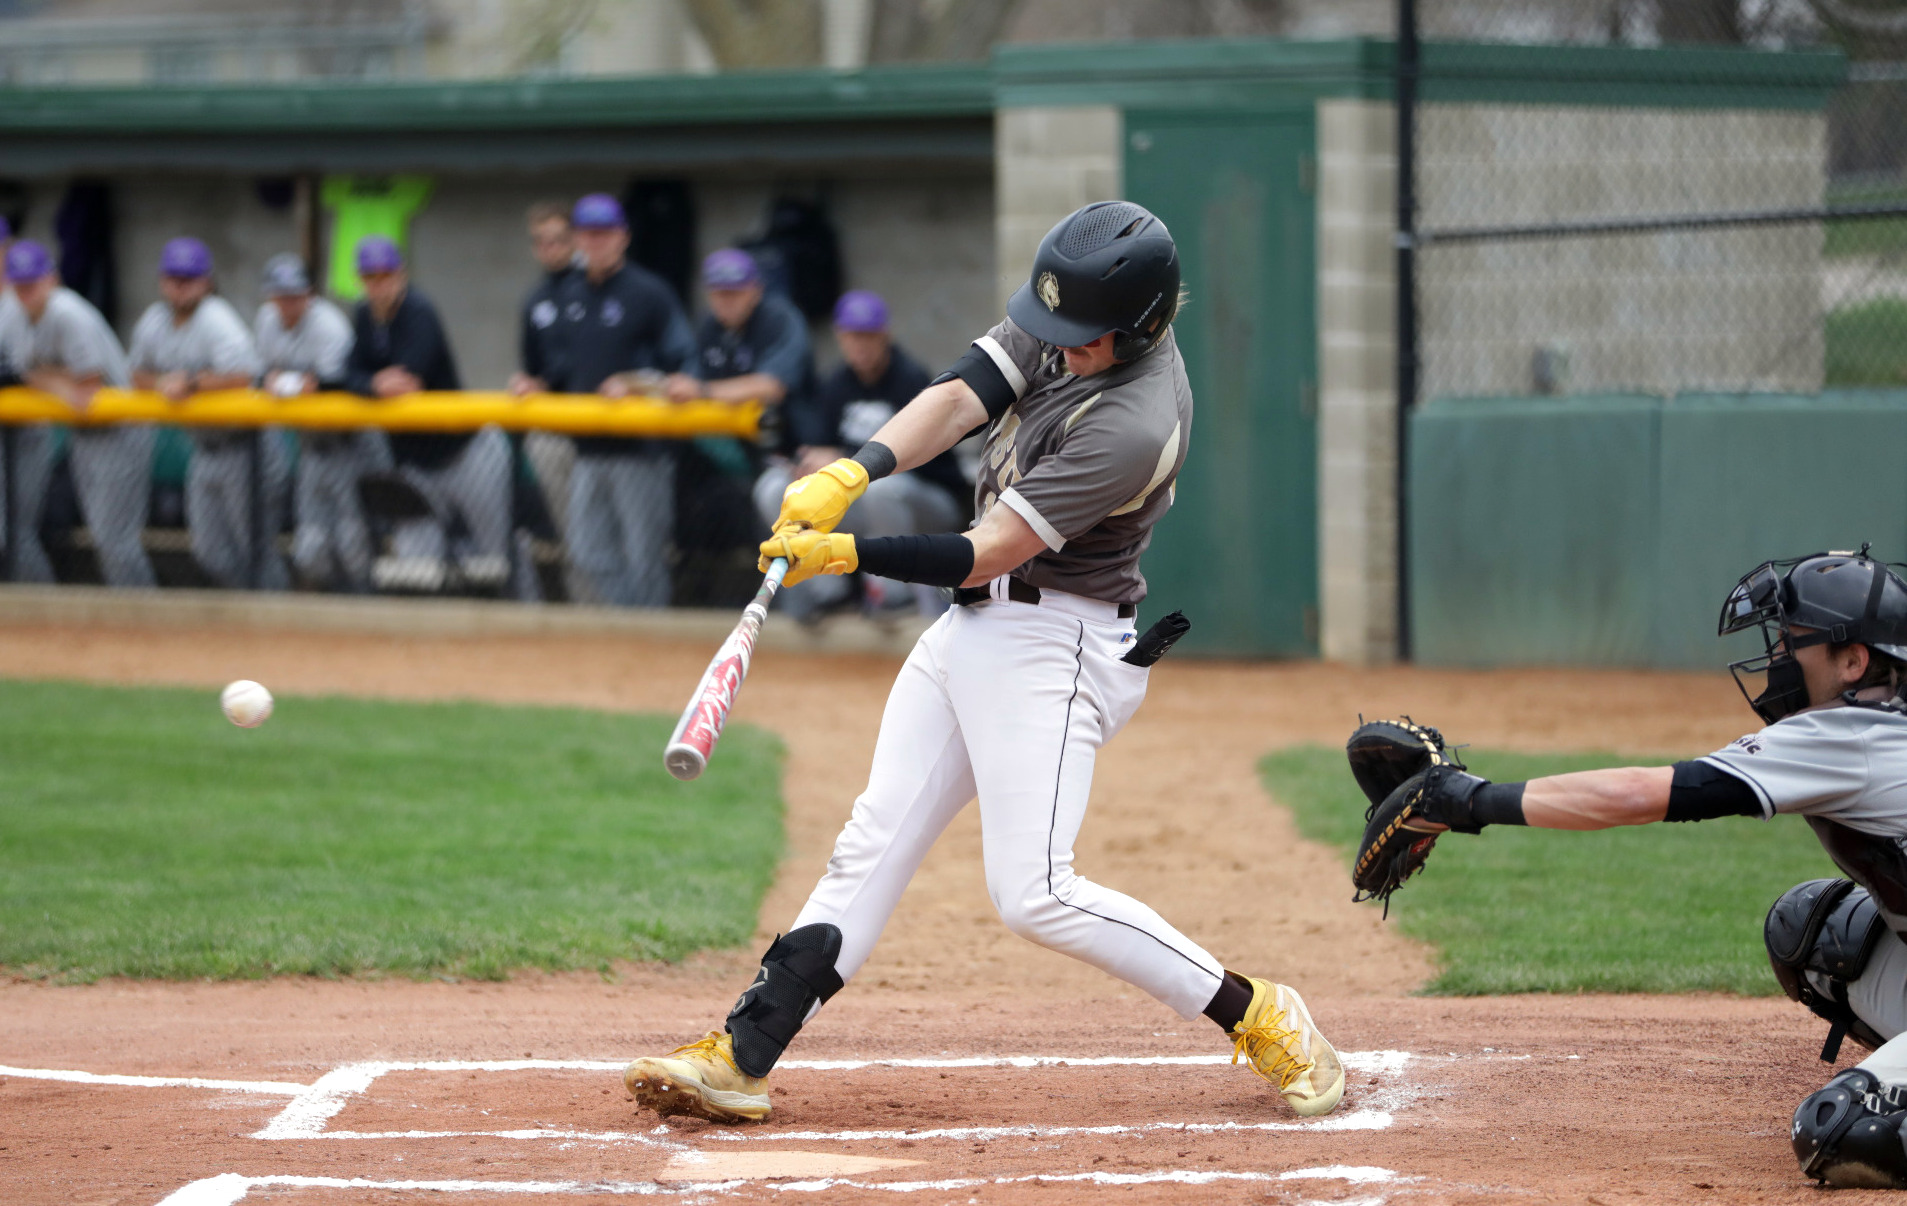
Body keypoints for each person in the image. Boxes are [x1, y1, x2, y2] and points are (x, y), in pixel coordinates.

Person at [623, 202, 1346, 1124]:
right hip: (972, 631)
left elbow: (988, 549)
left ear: (1137, 329)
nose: (1057, 348)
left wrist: (847, 553)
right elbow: (961, 395)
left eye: (1079, 341)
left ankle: (1258, 1012)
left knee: (1034, 893)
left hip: (1056, 646)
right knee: (869, 842)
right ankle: (743, 1053)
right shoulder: (1075, 317)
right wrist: (854, 471)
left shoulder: (1135, 422)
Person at [1344, 548, 1907, 1189]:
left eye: (1792, 642)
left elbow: (1643, 794)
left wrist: (1466, 801)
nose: (1777, 658)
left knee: (1842, 1128)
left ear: (1853, 661)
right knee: (1813, 934)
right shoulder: (1875, 720)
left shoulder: (1851, 735)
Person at [752, 289, 965, 621]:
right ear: (840, 337)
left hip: (929, 501)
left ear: (885, 335)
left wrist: (841, 456)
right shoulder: (836, 384)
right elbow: (820, 449)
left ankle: (892, 597)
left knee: (881, 488)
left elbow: (923, 457)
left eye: (868, 335)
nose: (860, 344)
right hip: (870, 507)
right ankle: (828, 594)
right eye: (852, 336)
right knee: (778, 488)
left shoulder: (911, 379)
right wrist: (806, 464)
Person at [550, 194, 696, 608]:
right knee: (586, 552)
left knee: (644, 558)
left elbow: (685, 367)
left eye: (604, 233)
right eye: (588, 234)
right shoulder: (569, 293)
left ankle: (650, 631)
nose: (595, 242)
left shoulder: (649, 292)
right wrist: (536, 382)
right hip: (588, 448)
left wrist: (637, 384)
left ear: (623, 238)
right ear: (577, 239)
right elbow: (561, 367)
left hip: (641, 450)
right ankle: (628, 621)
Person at [342, 235, 510, 589]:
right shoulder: (364, 315)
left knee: (497, 554)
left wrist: (369, 383)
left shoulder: (419, 310)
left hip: (466, 455)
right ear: (360, 279)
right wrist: (373, 384)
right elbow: (348, 373)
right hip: (415, 465)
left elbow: (409, 378)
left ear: (401, 274)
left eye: (385, 275)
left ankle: (529, 612)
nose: (378, 284)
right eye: (370, 277)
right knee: (415, 565)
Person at [128, 237, 274, 589]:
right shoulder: (154, 320)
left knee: (256, 554)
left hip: (245, 448)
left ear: (206, 282)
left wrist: (191, 383)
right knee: (210, 552)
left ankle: (276, 615)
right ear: (162, 281)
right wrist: (163, 382)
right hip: (202, 449)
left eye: (189, 278)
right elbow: (135, 374)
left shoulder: (216, 319)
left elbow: (245, 376)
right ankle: (243, 612)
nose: (180, 287)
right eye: (173, 278)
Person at [253, 254, 383, 592]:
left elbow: (333, 383)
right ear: (271, 296)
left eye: (295, 295)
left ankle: (364, 606)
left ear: (309, 293)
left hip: (350, 446)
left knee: (354, 544)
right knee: (310, 550)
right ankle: (329, 606)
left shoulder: (329, 326)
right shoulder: (266, 320)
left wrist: (288, 384)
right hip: (310, 449)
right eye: (281, 295)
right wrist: (290, 383)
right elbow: (260, 376)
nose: (288, 303)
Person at [1, 238, 106, 584]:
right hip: (80, 431)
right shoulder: (13, 311)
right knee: (14, 534)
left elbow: (89, 383)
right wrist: (45, 378)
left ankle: (143, 613)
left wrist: (35, 377)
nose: (25, 292)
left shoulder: (66, 311)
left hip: (118, 429)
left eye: (32, 283)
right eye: (19, 284)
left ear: (51, 279)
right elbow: (16, 373)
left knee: (113, 542)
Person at [508, 201, 583, 582]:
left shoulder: (592, 287)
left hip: (598, 429)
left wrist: (546, 382)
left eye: (558, 240)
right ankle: (585, 606)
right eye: (541, 241)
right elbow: (532, 363)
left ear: (575, 241)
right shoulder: (536, 299)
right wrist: (527, 382)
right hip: (553, 430)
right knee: (571, 531)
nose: (550, 249)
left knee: (605, 531)